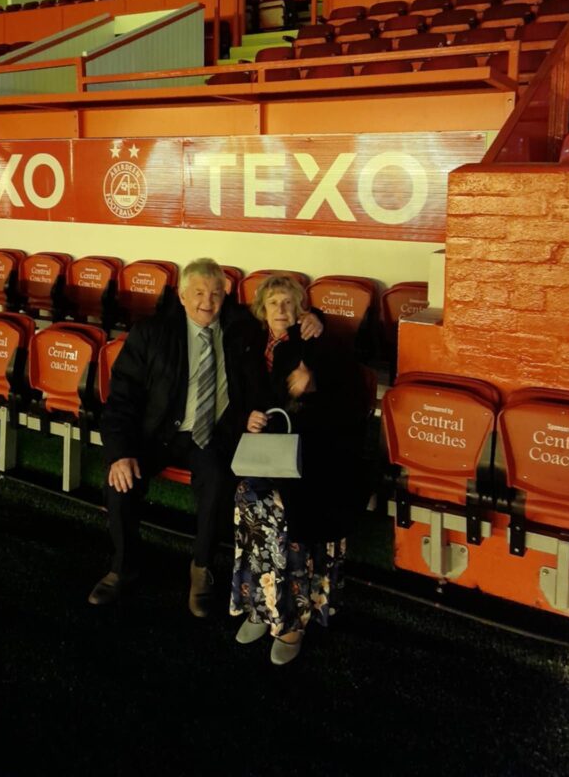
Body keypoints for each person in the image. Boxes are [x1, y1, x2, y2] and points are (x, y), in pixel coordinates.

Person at [88, 258, 323, 616]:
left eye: (215, 294)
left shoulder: (240, 327)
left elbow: (279, 308)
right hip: (159, 434)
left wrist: (314, 316)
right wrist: (120, 452)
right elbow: (122, 397)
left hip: (210, 435)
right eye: (198, 293)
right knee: (120, 485)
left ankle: (201, 569)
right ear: (181, 295)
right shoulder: (151, 332)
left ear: (225, 296)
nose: (207, 302)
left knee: (217, 480)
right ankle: (123, 567)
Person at [229, 274, 365, 664]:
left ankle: (290, 622)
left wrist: (314, 383)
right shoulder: (248, 341)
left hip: (313, 454)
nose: (281, 310)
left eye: (289, 302)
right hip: (264, 452)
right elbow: (238, 397)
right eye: (273, 303)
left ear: (301, 307)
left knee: (285, 516)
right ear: (261, 309)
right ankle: (260, 607)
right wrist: (247, 417)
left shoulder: (318, 340)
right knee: (249, 500)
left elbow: (351, 397)